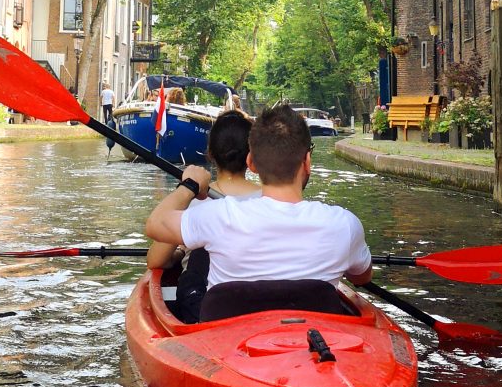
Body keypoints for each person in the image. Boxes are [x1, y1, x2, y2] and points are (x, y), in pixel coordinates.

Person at [145, 103, 372, 318]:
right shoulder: (345, 224)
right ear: (307, 161)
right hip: (314, 345)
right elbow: (361, 277)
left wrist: (190, 185)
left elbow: (155, 224)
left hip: (228, 343)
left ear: (252, 162)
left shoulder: (220, 215)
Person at [147, 110, 261, 321]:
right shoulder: (272, 200)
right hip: (259, 303)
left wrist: (181, 252)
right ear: (251, 156)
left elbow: (156, 260)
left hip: (205, 305)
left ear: (209, 153)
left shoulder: (193, 203)